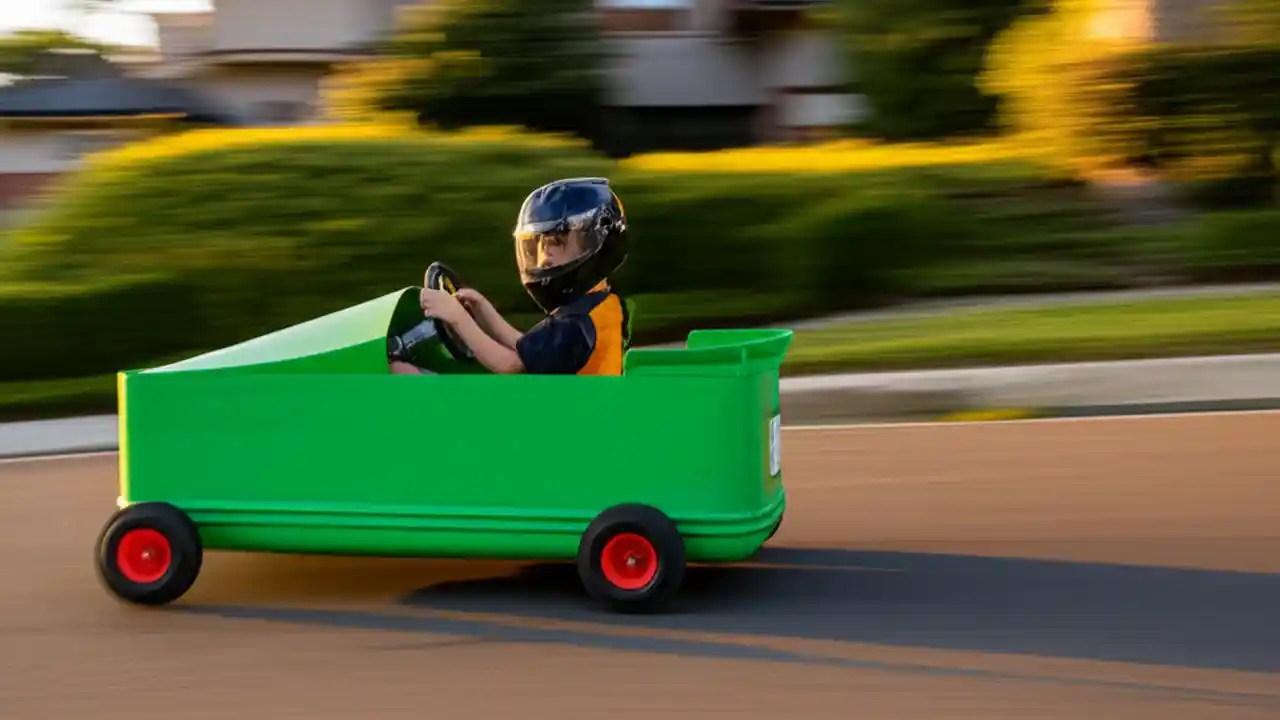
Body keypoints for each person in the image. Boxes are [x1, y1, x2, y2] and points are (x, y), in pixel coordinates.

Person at [392, 177, 631, 376]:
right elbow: (529, 350)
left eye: (556, 242)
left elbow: (509, 364)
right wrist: (484, 313)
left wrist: (457, 318)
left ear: (596, 243)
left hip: (563, 423)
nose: (544, 256)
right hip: (575, 415)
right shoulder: (599, 306)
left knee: (402, 370)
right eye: (539, 245)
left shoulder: (577, 323)